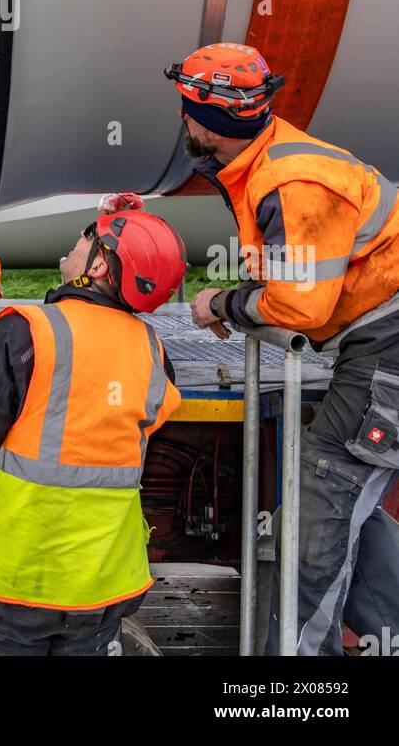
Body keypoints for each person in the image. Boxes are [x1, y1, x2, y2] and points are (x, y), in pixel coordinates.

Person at [167, 41, 399, 656]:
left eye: (185, 107)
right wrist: (249, 299)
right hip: (377, 341)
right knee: (348, 505)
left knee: (316, 515)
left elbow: (302, 307)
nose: (181, 118)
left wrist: (220, 305)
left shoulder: (291, 181)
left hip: (387, 345)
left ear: (206, 120)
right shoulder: (265, 158)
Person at [0, 206, 186, 655]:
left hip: (15, 584)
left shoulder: (27, 331)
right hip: (101, 587)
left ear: (100, 265)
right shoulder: (152, 351)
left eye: (86, 237)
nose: (74, 243)